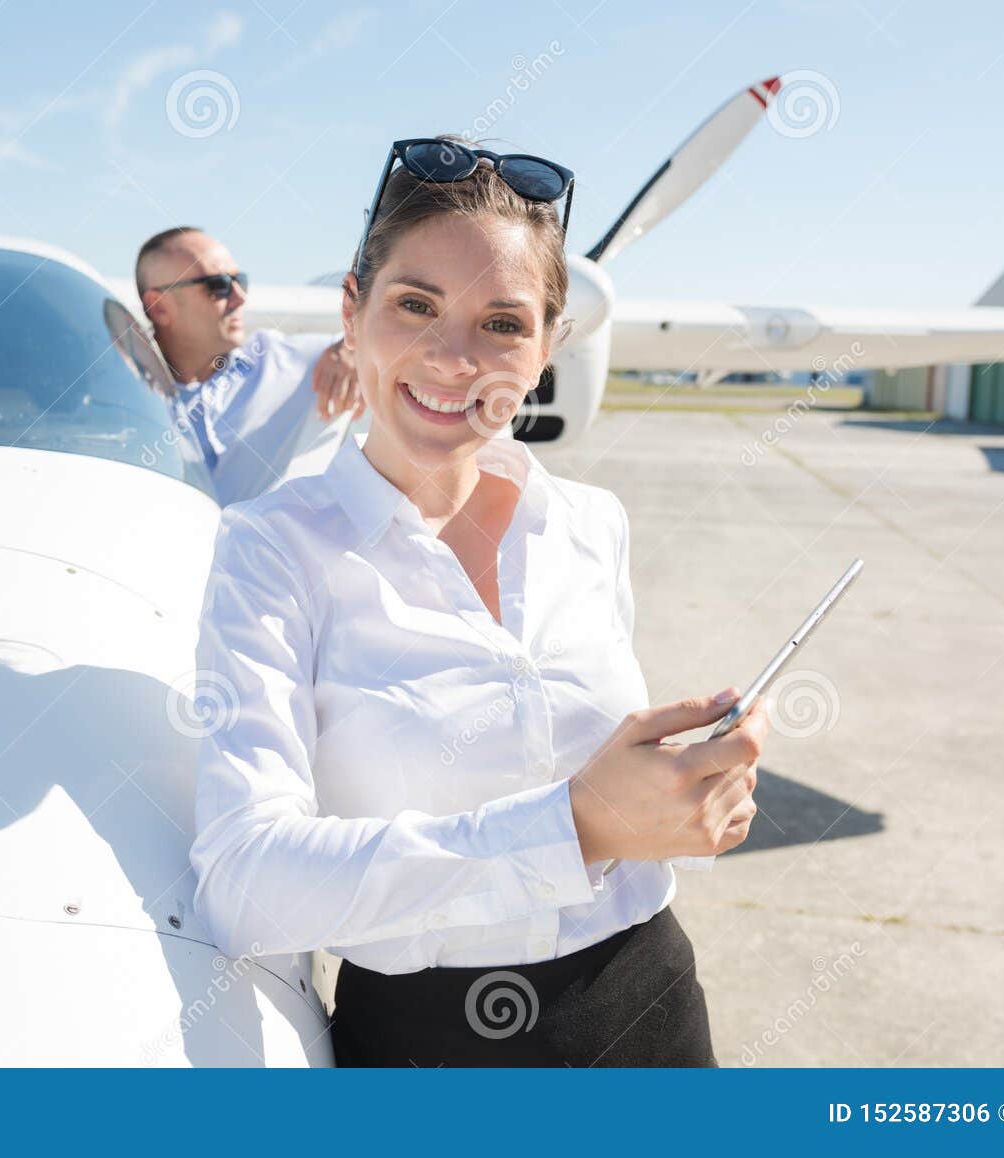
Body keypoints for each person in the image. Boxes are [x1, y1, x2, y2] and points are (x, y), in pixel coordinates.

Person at [187, 136, 764, 1067]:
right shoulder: (269, 552)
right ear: (351, 311)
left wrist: (686, 798)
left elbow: (596, 765)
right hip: (430, 1047)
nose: (454, 358)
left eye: (502, 323)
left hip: (651, 1003)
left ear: (546, 349)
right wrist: (577, 826)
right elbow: (245, 883)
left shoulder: (592, 524)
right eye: (415, 305)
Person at [136, 226, 363, 506]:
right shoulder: (122, 393)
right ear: (159, 306)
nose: (240, 297)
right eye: (218, 285)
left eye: (239, 280)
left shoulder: (291, 362)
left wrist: (353, 348)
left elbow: (386, 342)